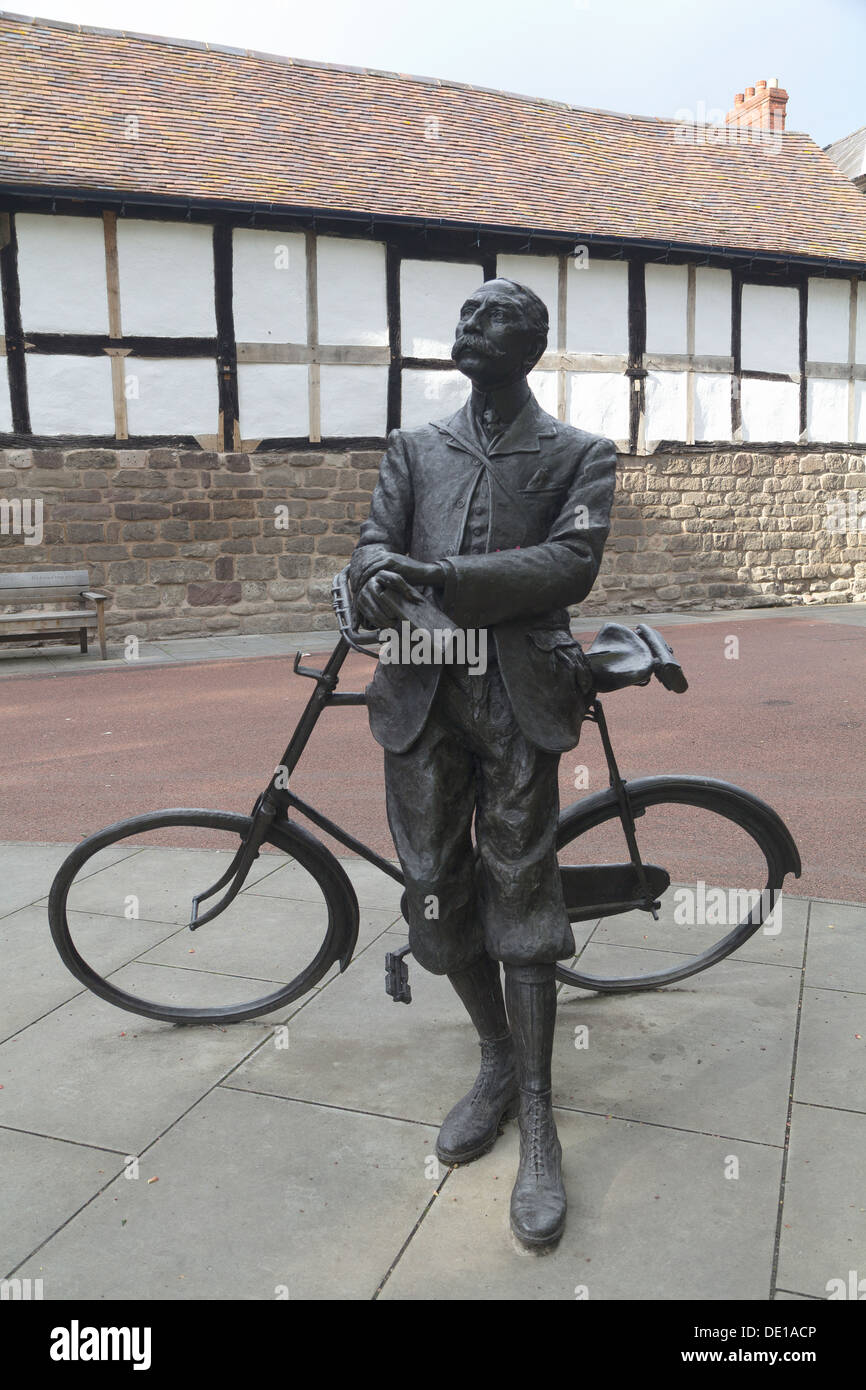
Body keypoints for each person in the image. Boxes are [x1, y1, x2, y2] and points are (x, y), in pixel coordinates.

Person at [350, 277, 617, 1249]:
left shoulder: (580, 454)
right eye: (462, 315)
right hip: (421, 686)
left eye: (492, 318)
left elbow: (569, 566)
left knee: (521, 886)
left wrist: (449, 577)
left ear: (531, 346)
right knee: (430, 888)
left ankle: (539, 1115)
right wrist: (376, 573)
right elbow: (371, 544)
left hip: (515, 691)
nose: (468, 327)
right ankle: (495, 1057)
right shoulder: (413, 449)